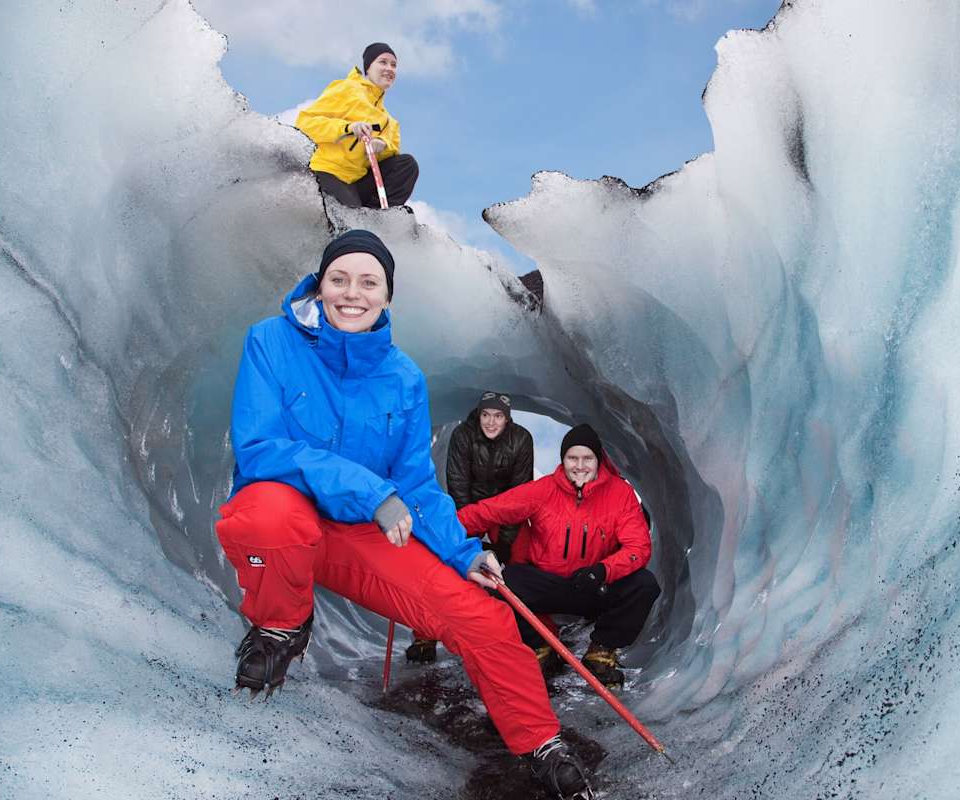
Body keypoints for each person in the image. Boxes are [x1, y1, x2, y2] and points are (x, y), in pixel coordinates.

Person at [214, 230, 591, 798]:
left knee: (479, 615)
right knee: (266, 516)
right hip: (286, 515)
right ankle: (282, 626)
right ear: (320, 285)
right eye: (338, 279)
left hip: (359, 536)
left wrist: (465, 553)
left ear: (387, 297)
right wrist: (371, 490)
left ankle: (540, 743)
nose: (352, 293)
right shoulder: (270, 342)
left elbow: (415, 483)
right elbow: (260, 449)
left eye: (369, 283)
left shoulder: (404, 378)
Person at [457, 424, 661, 688]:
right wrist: (443, 530)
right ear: (563, 460)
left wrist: (603, 570)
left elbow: (639, 548)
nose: (579, 465)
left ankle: (601, 652)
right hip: (549, 584)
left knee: (644, 585)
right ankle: (541, 648)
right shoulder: (543, 490)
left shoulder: (619, 495)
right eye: (572, 458)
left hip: (594, 584)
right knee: (502, 582)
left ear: (598, 460)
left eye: (587, 458)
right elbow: (489, 511)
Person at [405, 390, 534, 664]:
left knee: (521, 559)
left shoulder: (521, 439)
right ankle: (426, 634)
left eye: (498, 416)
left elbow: (520, 492)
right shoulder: (463, 435)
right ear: (478, 415)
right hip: (468, 509)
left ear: (507, 419)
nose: (491, 422)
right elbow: (458, 484)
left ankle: (530, 634)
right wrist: (467, 535)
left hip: (505, 511)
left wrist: (505, 544)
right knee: (444, 560)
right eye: (486, 415)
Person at [295, 43, 418, 209]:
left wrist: (381, 144)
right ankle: (356, 224)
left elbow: (392, 152)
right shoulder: (348, 89)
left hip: (357, 181)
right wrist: (348, 128)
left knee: (407, 165)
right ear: (368, 68)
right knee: (351, 220)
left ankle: (377, 218)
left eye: (393, 65)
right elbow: (305, 123)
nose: (389, 68)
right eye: (382, 62)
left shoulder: (390, 121)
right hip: (329, 171)